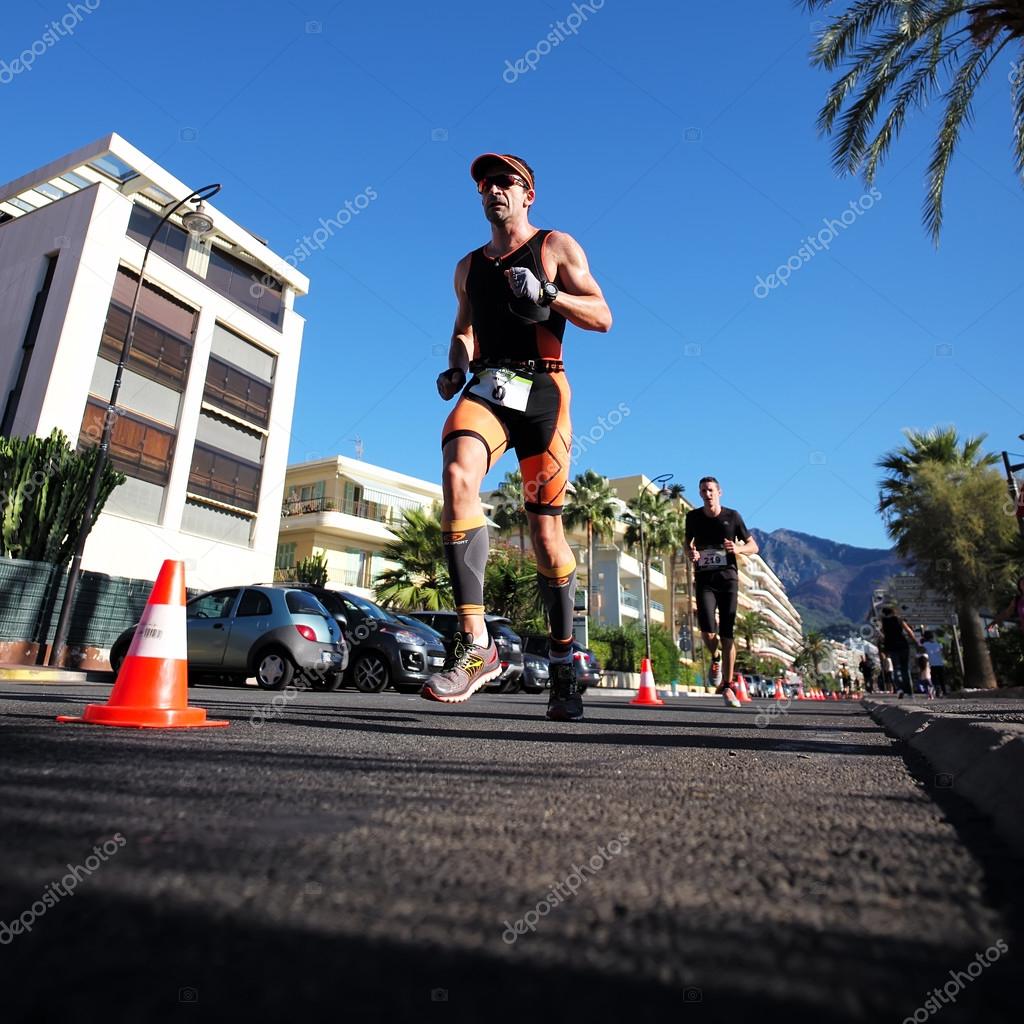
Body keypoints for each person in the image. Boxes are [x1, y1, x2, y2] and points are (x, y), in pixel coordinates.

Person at [423, 153, 612, 722]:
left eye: (506, 181)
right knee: (457, 473)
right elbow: (463, 330)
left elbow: (603, 316)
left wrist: (549, 297)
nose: (494, 190)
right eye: (485, 183)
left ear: (528, 194)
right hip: (488, 386)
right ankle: (476, 643)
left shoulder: (556, 247)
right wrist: (456, 366)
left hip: (546, 393)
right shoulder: (467, 267)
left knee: (545, 535)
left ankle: (561, 663)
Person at [684, 477, 759, 708]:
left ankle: (727, 685)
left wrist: (737, 548)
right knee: (707, 631)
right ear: (700, 494)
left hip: (728, 579)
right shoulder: (693, 517)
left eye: (711, 490)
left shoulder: (732, 516)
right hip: (705, 579)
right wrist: (691, 553)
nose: (707, 494)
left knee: (727, 635)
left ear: (719, 492)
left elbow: (753, 546)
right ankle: (715, 657)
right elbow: (687, 543)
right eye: (703, 491)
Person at [880, 606, 919, 698]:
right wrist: (915, 641)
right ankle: (909, 691)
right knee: (905, 669)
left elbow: (883, 635)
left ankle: (900, 689)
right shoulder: (899, 620)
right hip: (903, 645)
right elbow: (909, 631)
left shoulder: (884, 622)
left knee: (896, 668)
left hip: (892, 647)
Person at [920, 631, 947, 696]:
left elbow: (922, 653)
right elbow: (943, 652)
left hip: (932, 664)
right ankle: (944, 691)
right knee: (942, 678)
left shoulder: (924, 645)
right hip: (940, 664)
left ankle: (937, 690)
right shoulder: (938, 644)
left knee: (934, 679)